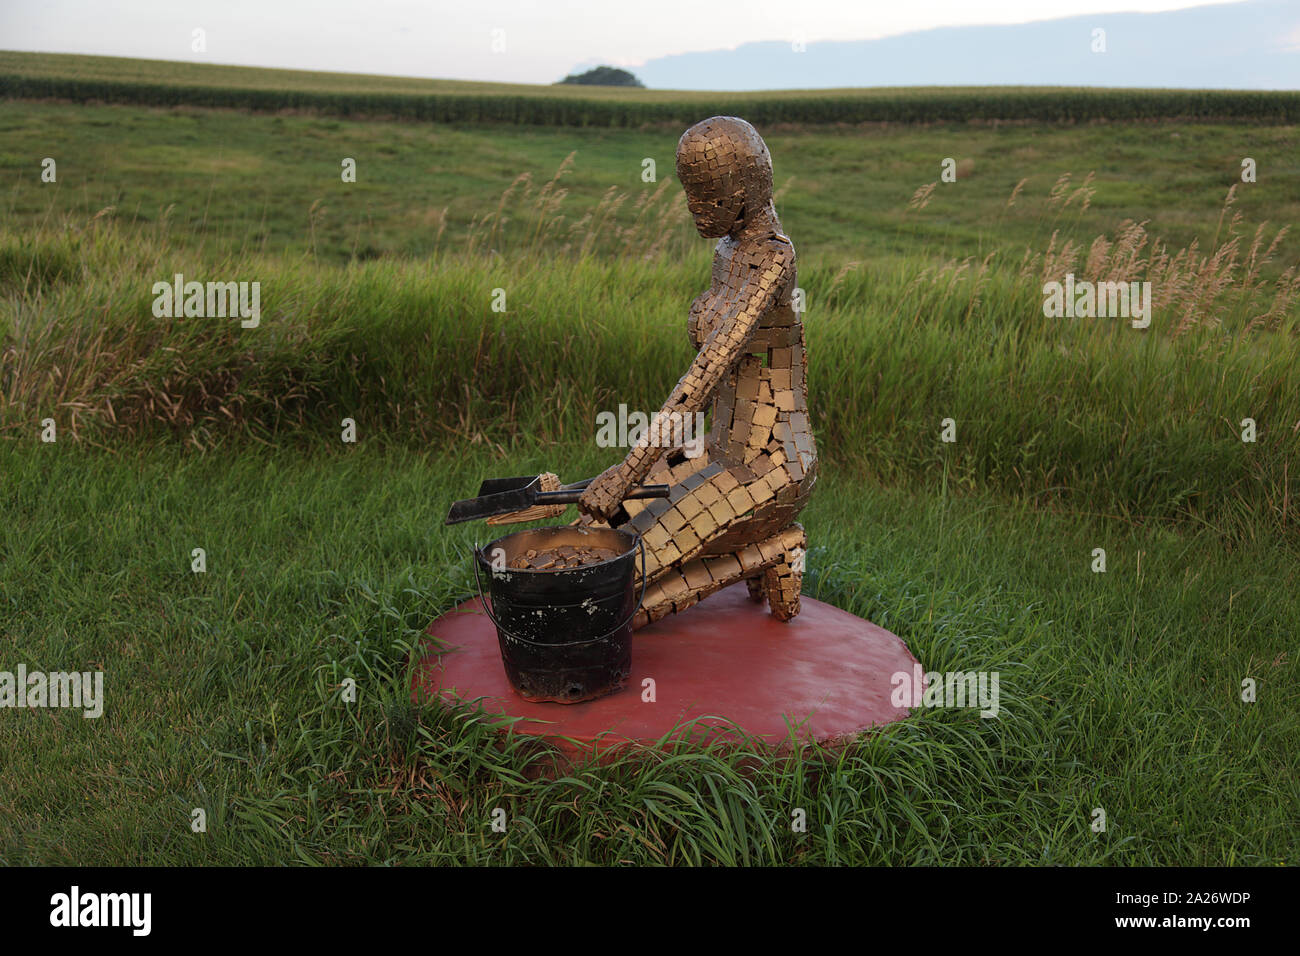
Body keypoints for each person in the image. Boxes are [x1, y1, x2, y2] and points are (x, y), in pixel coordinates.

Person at [575, 116, 817, 629]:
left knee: (619, 577)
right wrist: (633, 480)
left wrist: (627, 471)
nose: (694, 208)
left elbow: (703, 377)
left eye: (708, 195)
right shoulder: (728, 250)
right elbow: (707, 385)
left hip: (772, 463)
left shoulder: (773, 258)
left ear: (747, 186)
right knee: (598, 531)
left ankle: (777, 545)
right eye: (690, 194)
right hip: (719, 447)